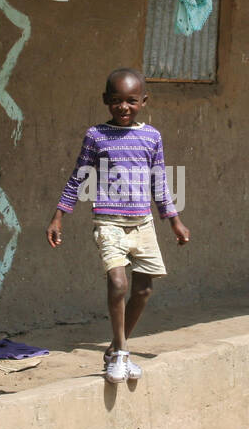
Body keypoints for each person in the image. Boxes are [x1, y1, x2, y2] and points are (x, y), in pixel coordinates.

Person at [47, 68, 190, 382]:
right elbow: (78, 177)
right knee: (118, 284)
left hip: (144, 224)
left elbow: (159, 181)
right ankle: (123, 353)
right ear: (105, 101)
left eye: (131, 101)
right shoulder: (96, 136)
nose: (123, 107)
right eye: (116, 101)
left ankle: (115, 348)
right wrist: (60, 215)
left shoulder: (152, 136)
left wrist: (174, 221)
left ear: (143, 101)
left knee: (144, 290)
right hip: (108, 222)